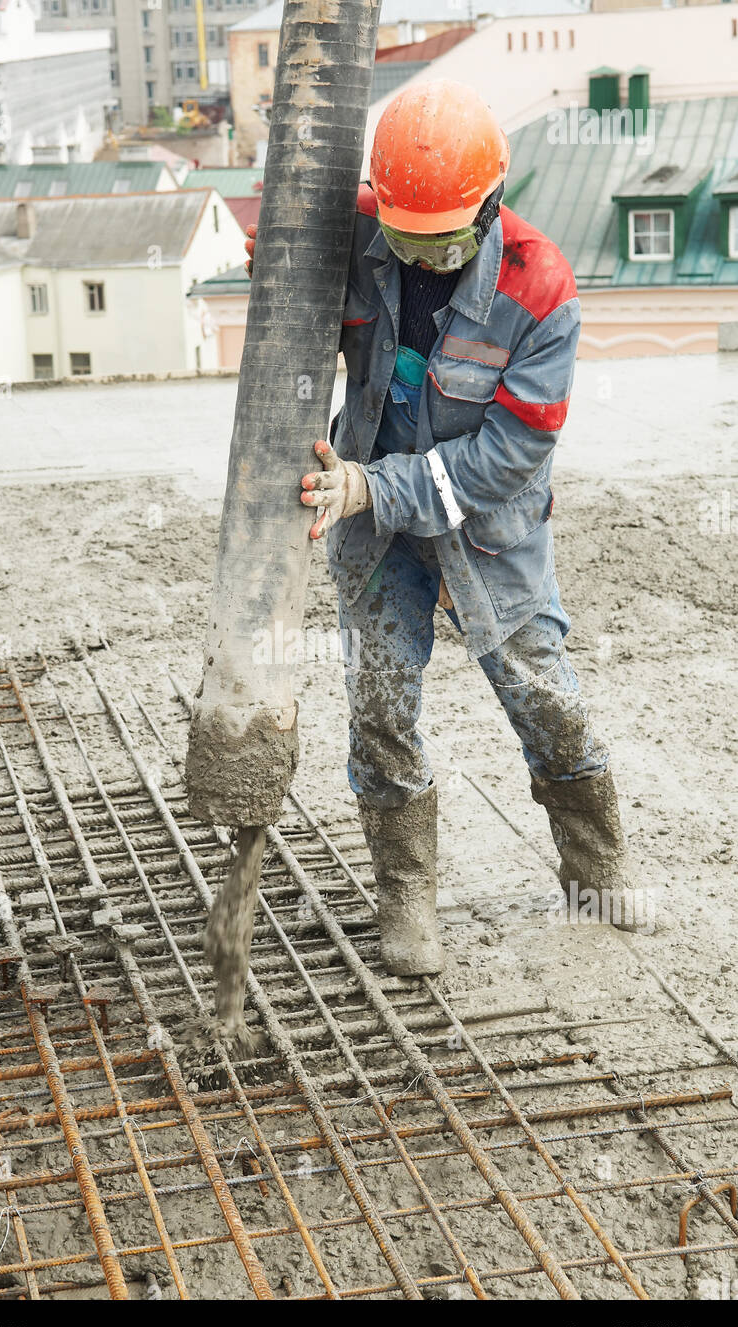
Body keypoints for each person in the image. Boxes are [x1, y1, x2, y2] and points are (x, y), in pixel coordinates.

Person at [245, 80, 651, 977]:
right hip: (373, 524)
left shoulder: (538, 286)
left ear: (492, 202)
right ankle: (405, 897)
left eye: (442, 242)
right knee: (380, 705)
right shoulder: (356, 230)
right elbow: (287, 263)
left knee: (538, 688)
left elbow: (509, 455)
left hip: (484, 527)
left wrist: (373, 488)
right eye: (403, 240)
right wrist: (270, 258)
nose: (422, 261)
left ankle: (596, 866)